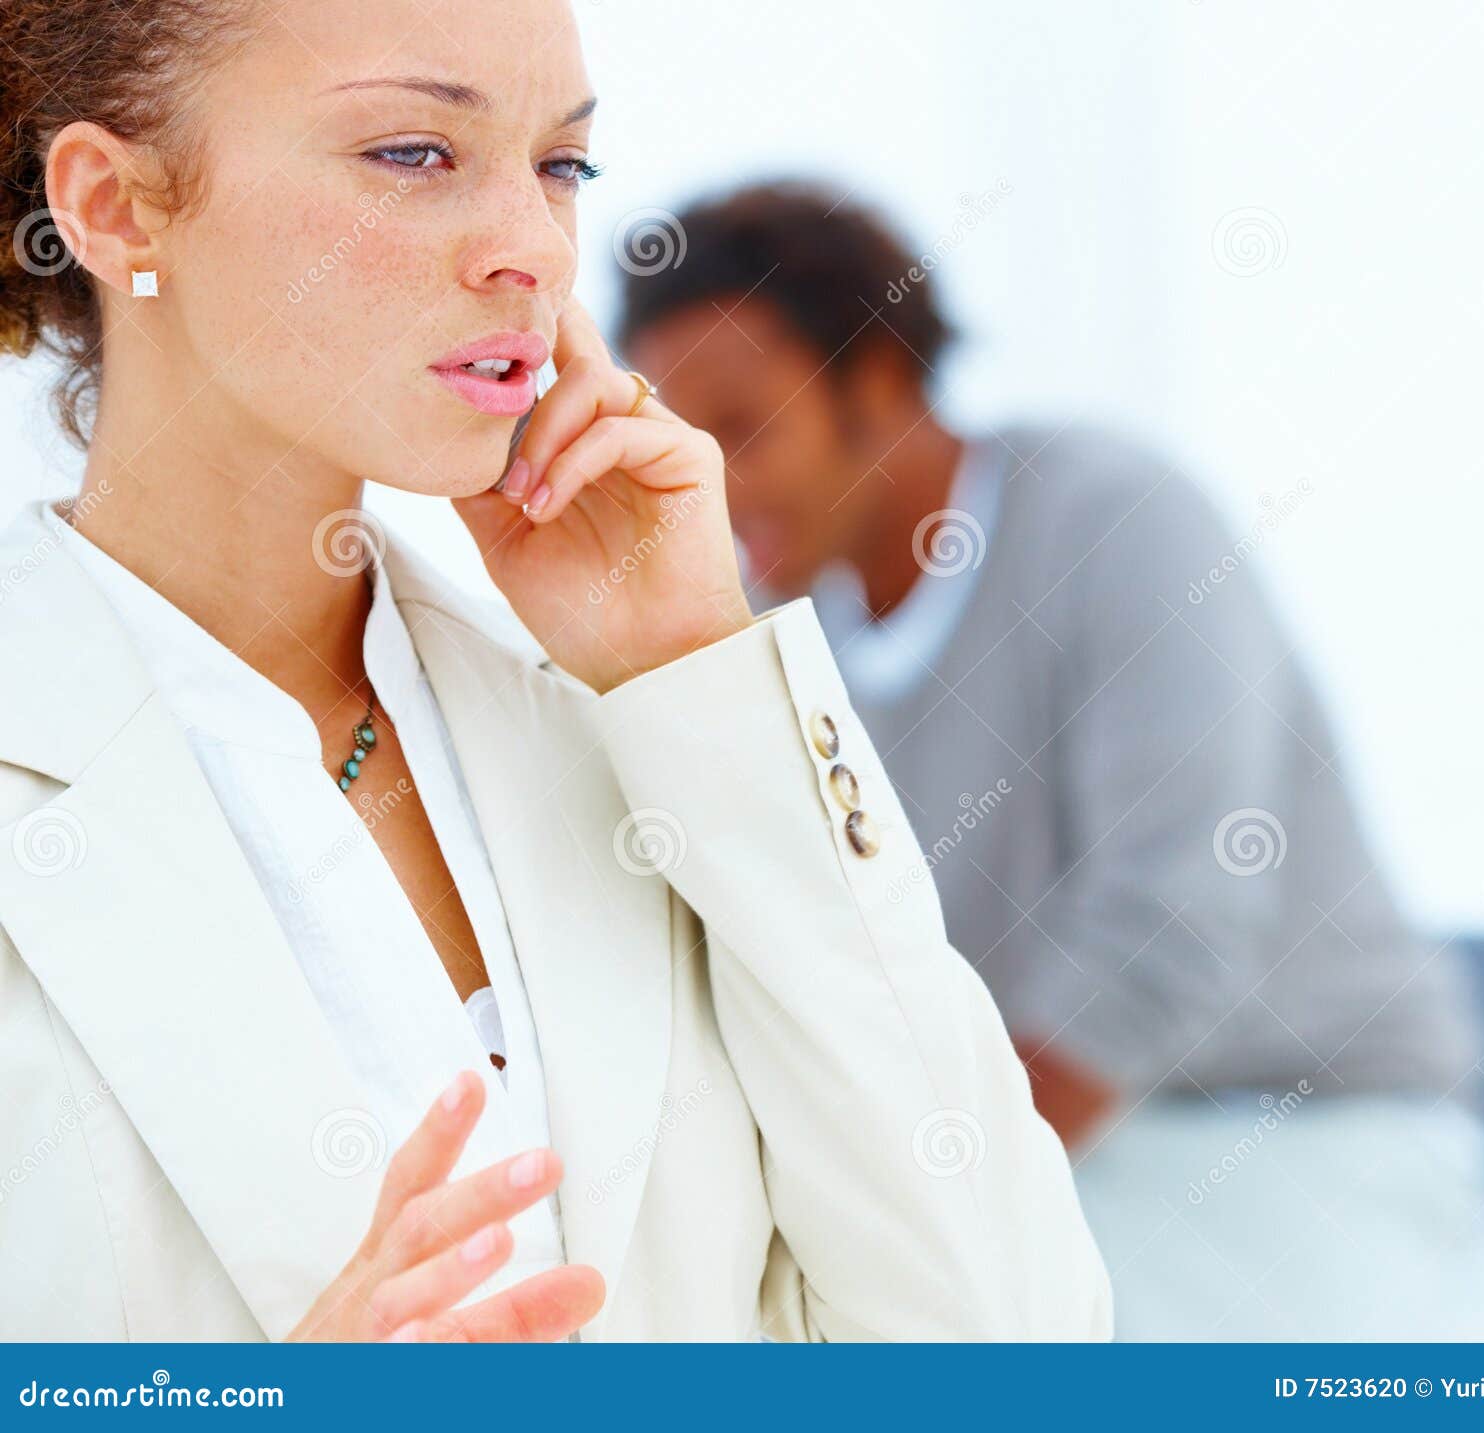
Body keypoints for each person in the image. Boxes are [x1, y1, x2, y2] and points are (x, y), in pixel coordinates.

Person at [0, 5, 1111, 1342]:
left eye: (561, 167)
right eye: (415, 153)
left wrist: (698, 671)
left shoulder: (632, 734)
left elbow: (1010, 1337)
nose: (534, 249)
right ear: (116, 209)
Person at [618, 182, 1484, 1340]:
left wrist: (935, 1193)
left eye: (743, 428)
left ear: (878, 381)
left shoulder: (1117, 519)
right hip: (1052, 1155)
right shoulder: (790, 630)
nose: (717, 487)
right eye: (683, 441)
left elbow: (1173, 923)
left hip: (1301, 1123)